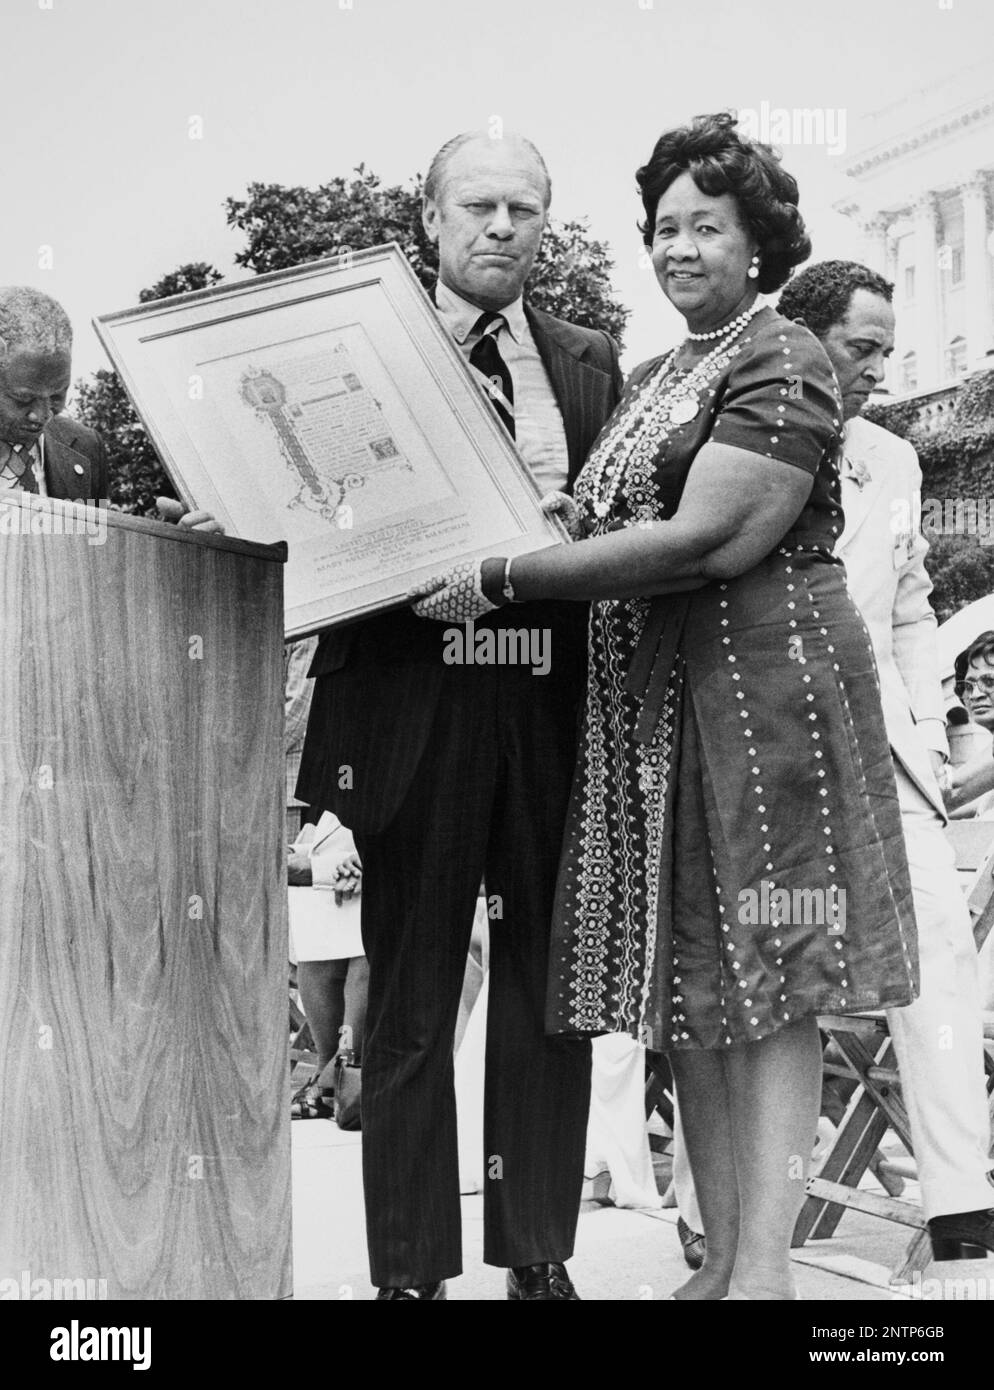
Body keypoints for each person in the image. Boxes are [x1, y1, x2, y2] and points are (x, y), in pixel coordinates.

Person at [413, 113, 919, 1301]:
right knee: (691, 976)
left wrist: (501, 576)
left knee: (777, 972)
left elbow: (708, 540)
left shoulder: (781, 353)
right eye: (663, 227)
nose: (678, 247)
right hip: (662, 701)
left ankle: (765, 1274)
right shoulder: (655, 372)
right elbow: (591, 523)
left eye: (706, 226)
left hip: (770, 694)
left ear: (760, 242)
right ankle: (723, 1259)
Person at [296, 130, 623, 1301]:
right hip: (410, 708)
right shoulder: (357, 358)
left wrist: (574, 532)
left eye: (523, 208)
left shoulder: (590, 359)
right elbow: (312, 509)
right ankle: (408, 1268)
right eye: (475, 204)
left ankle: (537, 1251)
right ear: (429, 219)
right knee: (413, 999)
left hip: (548, 703)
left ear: (547, 224)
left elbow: (624, 525)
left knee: (546, 994)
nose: (500, 226)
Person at [674, 261, 994, 1268]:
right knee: (755, 981)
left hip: (886, 758)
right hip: (760, 754)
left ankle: (961, 1218)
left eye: (887, 351)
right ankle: (712, 1214)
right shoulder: (729, 436)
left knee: (936, 961)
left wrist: (939, 732)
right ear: (803, 341)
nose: (878, 371)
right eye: (863, 348)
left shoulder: (894, 461)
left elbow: (907, 606)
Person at [0, 284, 219, 530]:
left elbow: (94, 555)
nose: (42, 416)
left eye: (57, 396)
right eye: (23, 399)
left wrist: (172, 545)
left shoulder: (85, 445)